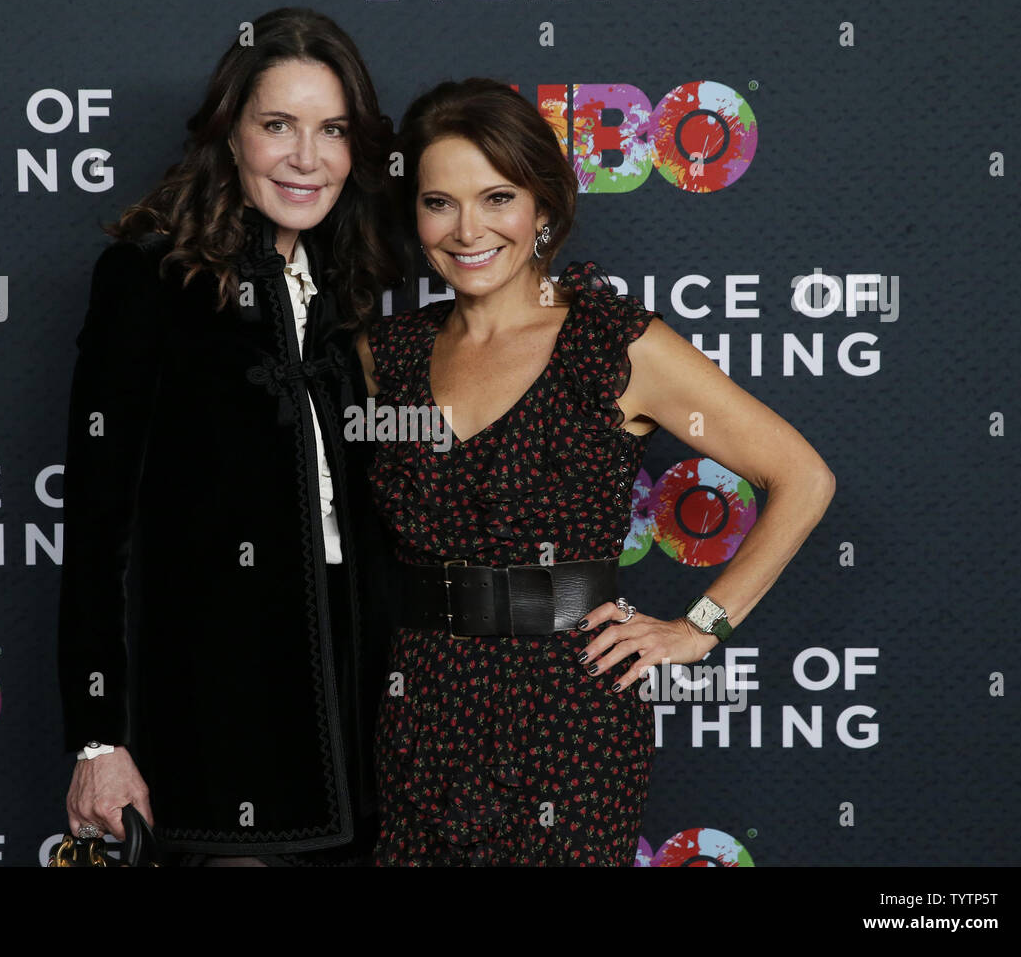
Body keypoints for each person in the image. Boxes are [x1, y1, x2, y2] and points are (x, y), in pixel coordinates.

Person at [357, 78, 836, 865]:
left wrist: (699, 628)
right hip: (423, 704)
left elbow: (802, 478)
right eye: (440, 202)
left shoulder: (613, 344)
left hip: (567, 713)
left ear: (543, 206)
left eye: (498, 196)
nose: (468, 228)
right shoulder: (389, 356)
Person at [57, 7, 399, 866]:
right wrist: (99, 739)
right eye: (278, 125)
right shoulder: (149, 275)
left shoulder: (345, 278)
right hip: (219, 703)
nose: (306, 158)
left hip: (355, 702)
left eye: (332, 130)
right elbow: (98, 527)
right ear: (230, 132)